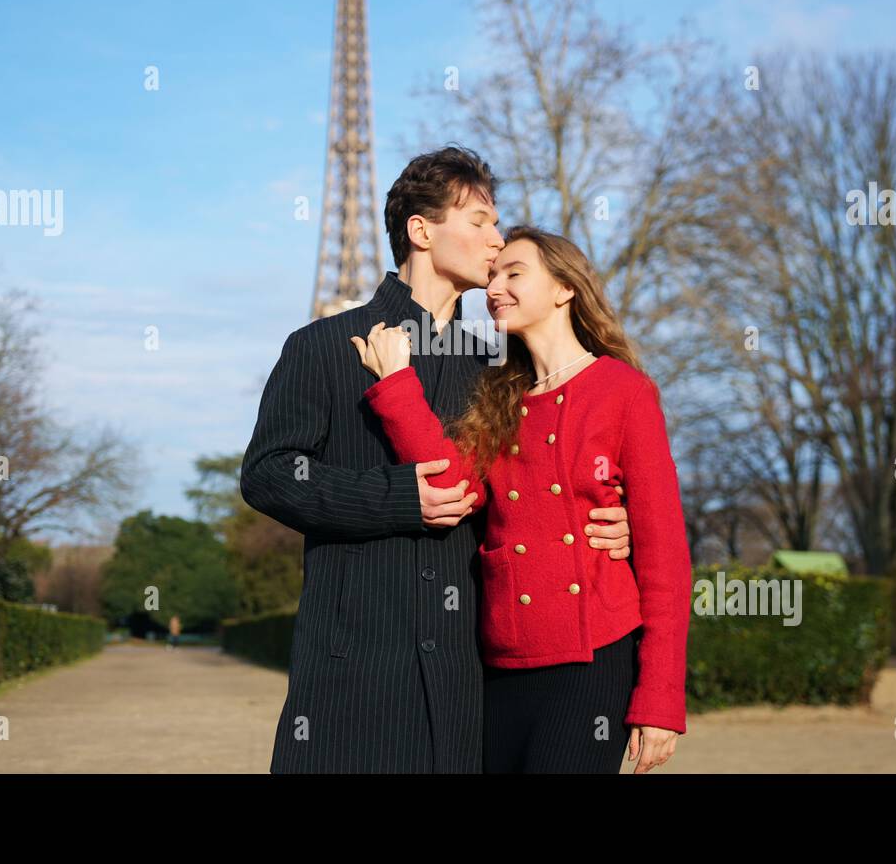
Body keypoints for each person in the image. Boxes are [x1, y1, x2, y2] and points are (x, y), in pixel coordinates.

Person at [240, 145, 635, 773]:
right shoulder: (321, 347)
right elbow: (266, 474)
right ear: (421, 231)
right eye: (478, 221)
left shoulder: (498, 373)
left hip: (466, 684)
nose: (495, 239)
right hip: (352, 676)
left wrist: (618, 526)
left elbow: (546, 488)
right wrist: (396, 497)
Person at [352, 224, 692, 773]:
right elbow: (451, 487)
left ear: (565, 289)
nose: (494, 288)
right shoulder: (497, 397)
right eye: (492, 276)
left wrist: (659, 700)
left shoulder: (623, 391)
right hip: (502, 662)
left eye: (515, 273)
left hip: (592, 657)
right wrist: (397, 382)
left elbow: (665, 559)